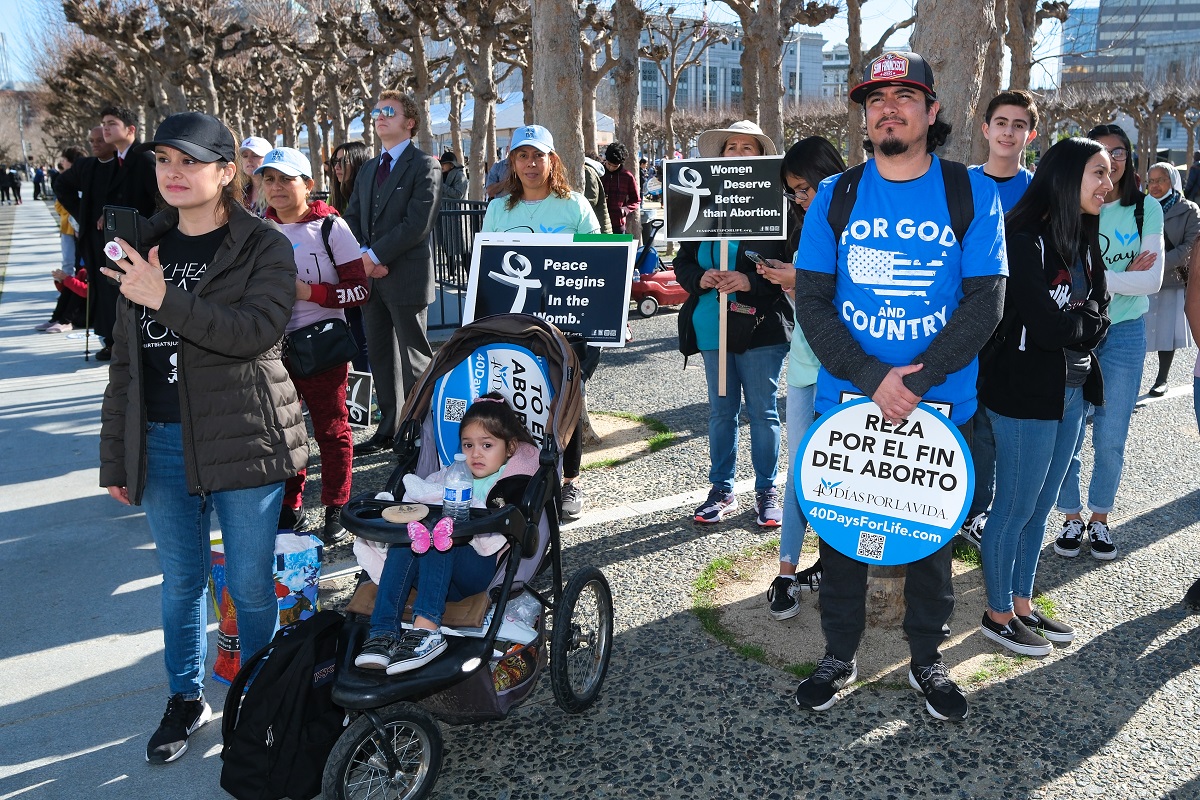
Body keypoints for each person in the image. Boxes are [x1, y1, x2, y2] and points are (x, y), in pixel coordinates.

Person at [791, 51, 1006, 721]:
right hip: (849, 405)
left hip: (939, 407)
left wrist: (917, 381)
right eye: (875, 97)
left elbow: (987, 300)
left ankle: (927, 659)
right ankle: (838, 653)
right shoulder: (837, 195)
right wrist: (870, 378)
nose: (888, 106)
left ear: (931, 111)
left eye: (905, 94)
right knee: (844, 541)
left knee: (932, 550)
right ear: (864, 114)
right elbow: (814, 300)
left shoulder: (970, 191)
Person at [98, 112, 306, 764]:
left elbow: (254, 332)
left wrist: (163, 297)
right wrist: (115, 455)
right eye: (163, 160)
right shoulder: (142, 244)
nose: (174, 173)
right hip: (160, 442)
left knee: (247, 588)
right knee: (181, 583)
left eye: (189, 161)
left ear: (225, 172)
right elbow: (125, 363)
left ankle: (258, 697)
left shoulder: (265, 245)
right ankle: (185, 697)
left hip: (244, 438)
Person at [978, 137, 1113, 657]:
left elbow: (1099, 314)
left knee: (1039, 509)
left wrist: (1077, 327)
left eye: (1109, 175)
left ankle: (1022, 602)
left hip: (1073, 389)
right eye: (1097, 174)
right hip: (1024, 391)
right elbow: (1046, 321)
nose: (1108, 184)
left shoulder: (1082, 236)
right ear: (1064, 177)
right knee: (1013, 507)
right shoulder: (1021, 234)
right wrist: (1079, 326)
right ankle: (996, 614)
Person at [354, 393, 541, 674]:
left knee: (442, 533)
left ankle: (427, 631)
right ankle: (382, 633)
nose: (475, 454)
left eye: (487, 445)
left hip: (475, 570)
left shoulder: (507, 479)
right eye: (468, 445)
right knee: (408, 537)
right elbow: (419, 492)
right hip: (435, 572)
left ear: (510, 448)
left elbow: (501, 530)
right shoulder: (450, 475)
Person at [675, 120, 793, 529]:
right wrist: (700, 278)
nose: (739, 154)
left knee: (762, 412)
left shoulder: (778, 206)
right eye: (731, 147)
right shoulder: (700, 205)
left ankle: (766, 490)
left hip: (762, 328)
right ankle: (721, 488)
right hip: (712, 325)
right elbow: (683, 262)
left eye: (749, 147)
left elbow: (791, 269)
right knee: (721, 413)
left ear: (762, 157)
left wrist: (750, 280)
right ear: (720, 155)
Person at [1054, 123, 1163, 561]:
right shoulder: (1077, 205)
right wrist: (1120, 278)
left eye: (1119, 153)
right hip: (1077, 334)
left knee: (1112, 435)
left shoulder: (1145, 209)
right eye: (1102, 153)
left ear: (1129, 158)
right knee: (1069, 431)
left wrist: (1099, 278)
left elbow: (1152, 280)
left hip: (1124, 335)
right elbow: (1060, 275)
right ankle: (1070, 516)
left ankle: (1099, 519)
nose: (1112, 161)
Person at [480, 125, 600, 520]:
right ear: (512, 163)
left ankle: (569, 482)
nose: (531, 164)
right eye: (522, 156)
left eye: (538, 156)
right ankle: (525, 473)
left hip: (569, 329)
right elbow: (487, 267)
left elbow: (601, 264)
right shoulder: (499, 209)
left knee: (567, 398)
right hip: (517, 328)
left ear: (553, 161)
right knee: (520, 396)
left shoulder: (576, 206)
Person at [258, 146, 369, 544]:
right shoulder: (257, 227)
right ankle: (290, 505)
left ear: (307, 184)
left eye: (285, 179)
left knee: (331, 429)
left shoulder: (331, 227)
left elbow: (359, 290)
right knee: (283, 433)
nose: (275, 187)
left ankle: (337, 505)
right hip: (270, 351)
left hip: (321, 348)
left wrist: (309, 292)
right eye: (268, 179)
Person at [755, 136, 844, 619]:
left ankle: (835, 564)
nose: (800, 199)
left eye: (804, 188)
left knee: (843, 473)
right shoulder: (802, 226)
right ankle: (787, 572)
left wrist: (798, 281)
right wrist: (787, 283)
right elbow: (805, 310)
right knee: (799, 472)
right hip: (807, 364)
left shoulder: (862, 221)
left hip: (850, 372)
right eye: (793, 192)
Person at [959, 89, 1040, 549]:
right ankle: (958, 509)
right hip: (966, 320)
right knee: (965, 418)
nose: (1008, 132)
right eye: (1001, 123)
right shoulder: (961, 184)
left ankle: (987, 513)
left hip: (1016, 328)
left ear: (1030, 134)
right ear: (985, 128)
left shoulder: (1038, 191)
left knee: (997, 424)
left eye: (1018, 125)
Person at [344, 91, 442, 456]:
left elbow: (417, 223)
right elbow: (351, 218)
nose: (380, 117)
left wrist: (374, 256)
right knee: (382, 356)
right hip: (372, 278)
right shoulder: (369, 167)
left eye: (389, 111)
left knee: (415, 357)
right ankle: (389, 427)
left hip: (406, 277)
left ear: (410, 122)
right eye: (376, 111)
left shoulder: (424, 165)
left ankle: (424, 431)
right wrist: (364, 258)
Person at [1143, 162, 1198, 396]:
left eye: (1161, 180)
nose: (1155, 186)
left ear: (1172, 181)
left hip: (1172, 278)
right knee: (1139, 331)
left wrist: (1159, 263)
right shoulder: (1141, 206)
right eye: (1151, 181)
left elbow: (1189, 247)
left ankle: (1162, 378)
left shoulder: (1189, 209)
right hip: (1142, 277)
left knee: (1166, 331)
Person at [329, 141, 372, 373]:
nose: (337, 166)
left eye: (343, 161)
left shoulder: (366, 195)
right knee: (354, 334)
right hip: (340, 275)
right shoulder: (335, 197)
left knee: (364, 338)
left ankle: (370, 398)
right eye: (334, 161)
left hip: (366, 274)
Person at [37, 146, 88, 332]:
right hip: (71, 230)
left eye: (64, 159)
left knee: (77, 274)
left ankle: (67, 319)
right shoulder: (66, 181)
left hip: (83, 234)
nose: (62, 163)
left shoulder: (82, 180)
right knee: (73, 274)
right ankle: (58, 316)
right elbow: (59, 205)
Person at [600, 141, 640, 234]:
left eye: (614, 166)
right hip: (598, 222)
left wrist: (626, 210)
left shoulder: (627, 177)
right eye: (608, 164)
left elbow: (636, 199)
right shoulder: (597, 173)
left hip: (618, 224)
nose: (610, 168)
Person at [238, 136, 272, 214]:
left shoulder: (275, 191)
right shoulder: (240, 192)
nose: (249, 160)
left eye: (255, 155)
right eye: (245, 156)